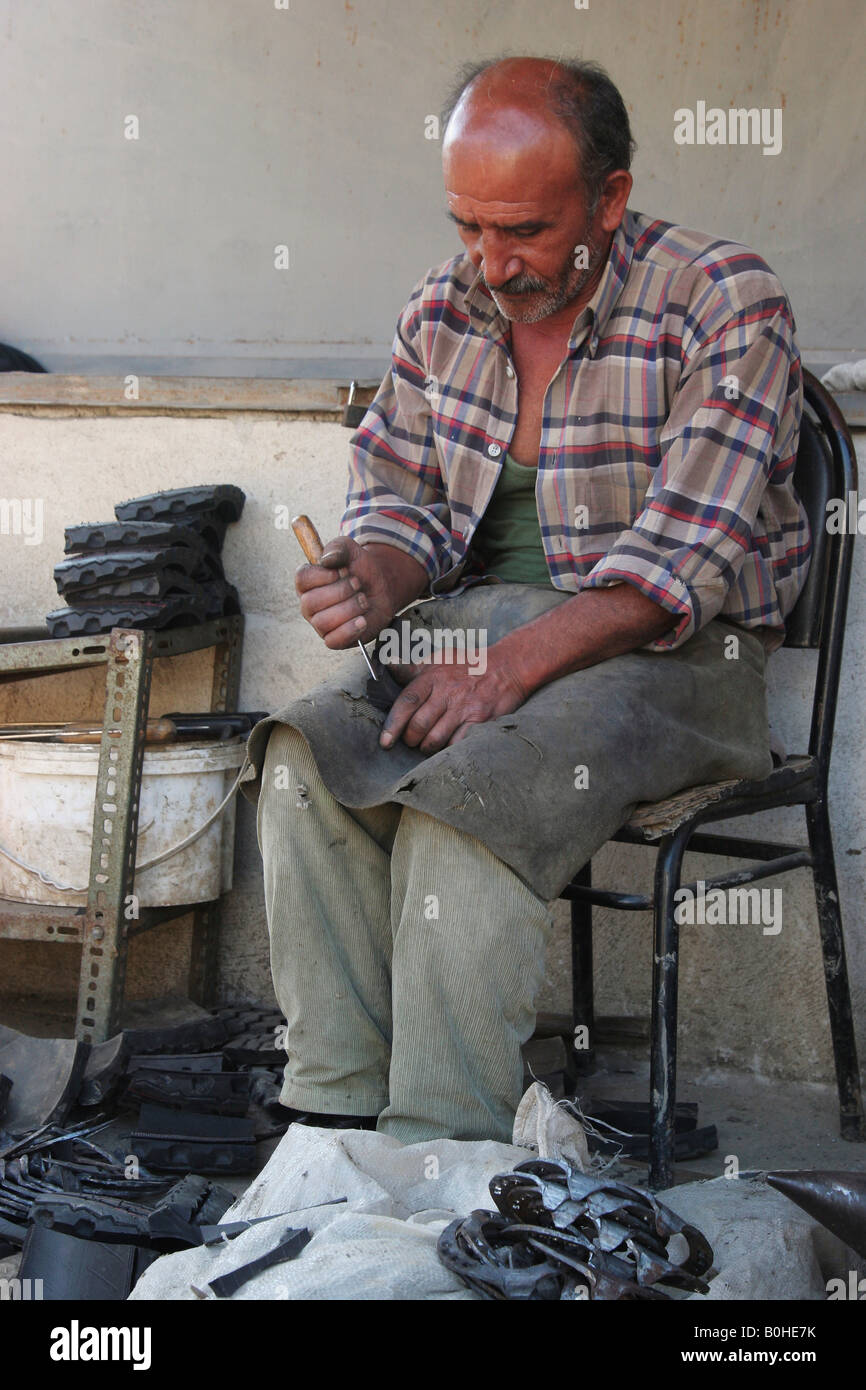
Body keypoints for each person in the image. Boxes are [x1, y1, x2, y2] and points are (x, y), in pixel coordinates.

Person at [242, 56, 810, 1144]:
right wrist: (377, 575)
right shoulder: (442, 310)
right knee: (300, 757)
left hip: (679, 662)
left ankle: (438, 1141)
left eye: (526, 233)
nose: (490, 264)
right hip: (468, 642)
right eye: (468, 227)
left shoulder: (723, 300)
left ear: (609, 196)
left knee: (477, 776)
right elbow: (401, 504)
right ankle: (333, 1123)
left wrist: (502, 673)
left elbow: (674, 569)